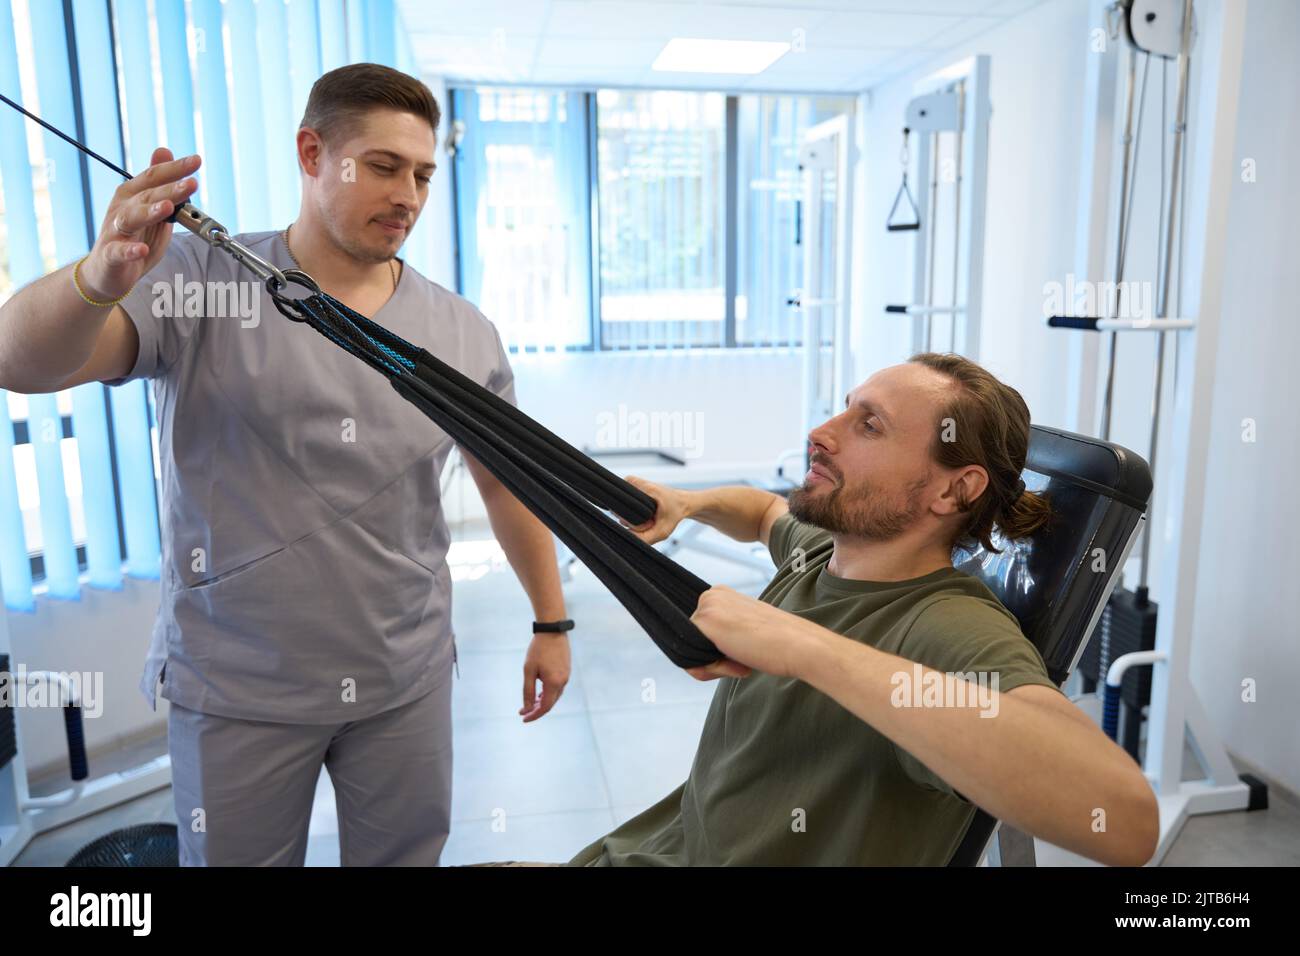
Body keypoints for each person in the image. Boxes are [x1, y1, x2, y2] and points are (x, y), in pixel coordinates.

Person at [0, 63, 573, 866]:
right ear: (312, 154)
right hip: (240, 689)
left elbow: (506, 481)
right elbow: (18, 361)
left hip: (400, 678)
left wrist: (551, 619)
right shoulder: (202, 282)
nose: (408, 194)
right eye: (382, 167)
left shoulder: (461, 331)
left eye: (422, 174)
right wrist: (98, 280)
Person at [562, 353, 1159, 866]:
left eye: (868, 425)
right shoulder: (824, 550)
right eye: (846, 408)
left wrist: (806, 647)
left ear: (954, 490)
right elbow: (762, 511)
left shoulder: (947, 627)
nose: (822, 431)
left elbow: (1124, 819)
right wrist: (688, 504)